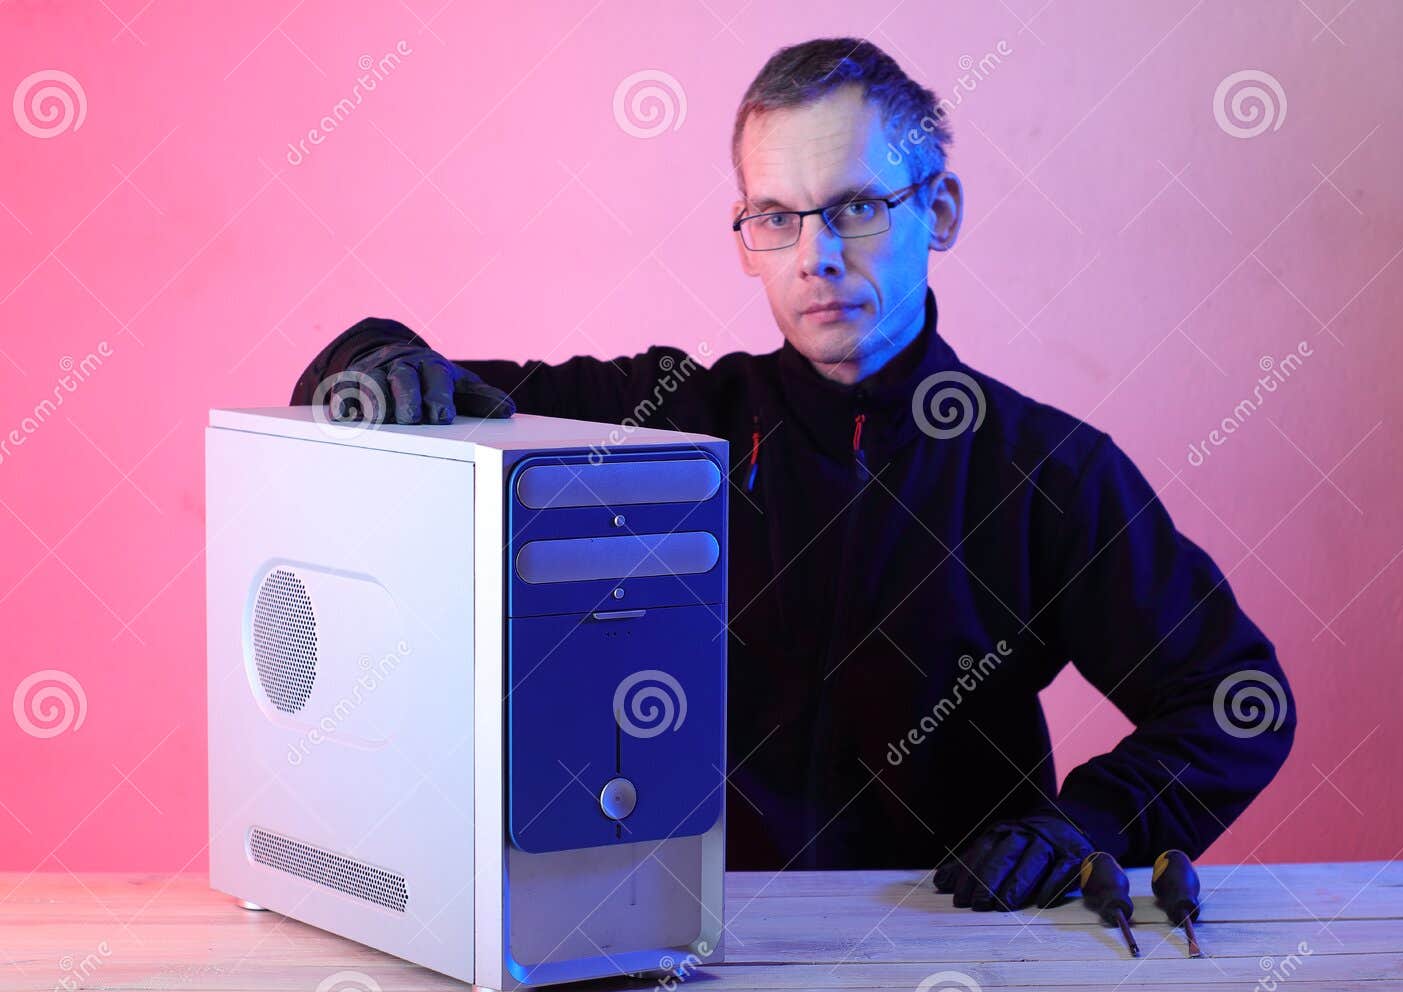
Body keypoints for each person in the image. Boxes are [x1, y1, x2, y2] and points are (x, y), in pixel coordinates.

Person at [291, 37, 1296, 911]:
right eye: (776, 216)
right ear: (747, 239)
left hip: (958, 949)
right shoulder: (664, 418)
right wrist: (372, 357)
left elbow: (1234, 698)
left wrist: (1086, 826)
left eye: (855, 206)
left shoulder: (1047, 472)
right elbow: (421, 389)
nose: (815, 256)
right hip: (683, 944)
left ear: (940, 210)